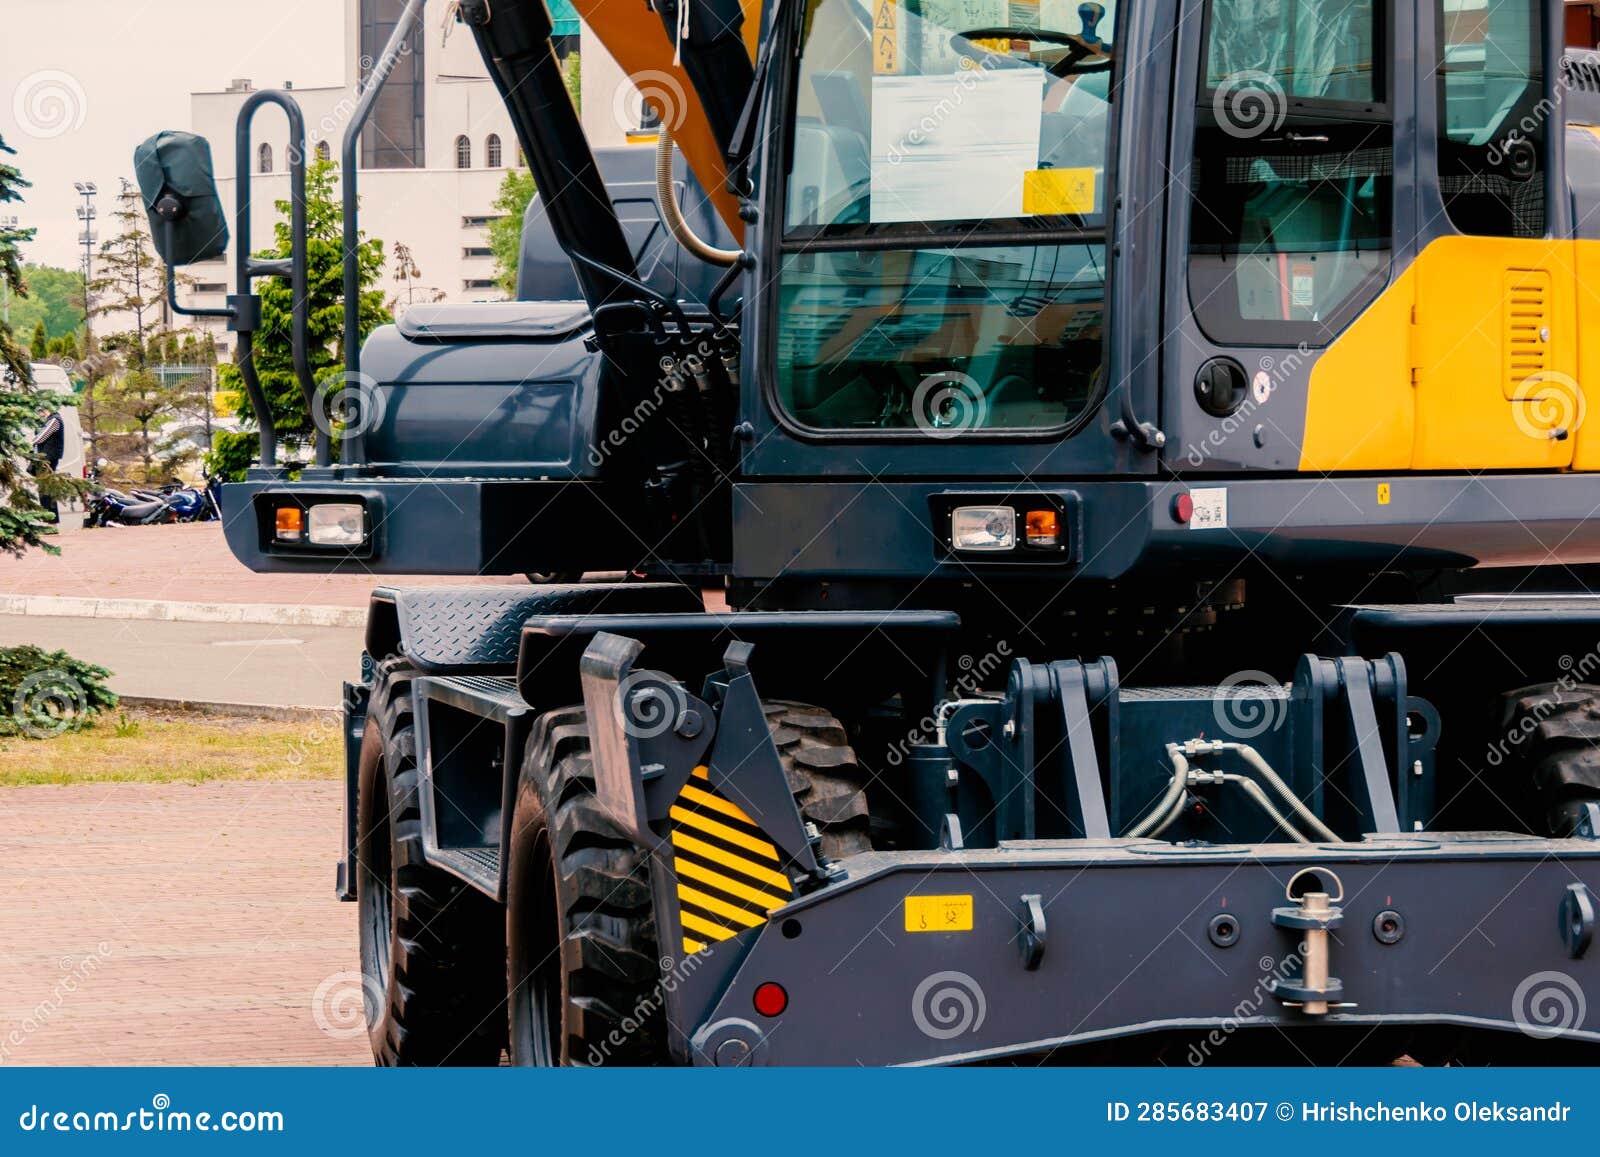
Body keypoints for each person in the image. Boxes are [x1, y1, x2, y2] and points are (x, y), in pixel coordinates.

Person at [31, 409, 64, 522]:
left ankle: (51, 522)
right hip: (43, 459)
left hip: (48, 459)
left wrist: (23, 445)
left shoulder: (55, 420)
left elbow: (40, 438)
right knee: (44, 490)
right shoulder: (49, 420)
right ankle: (50, 521)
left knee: (46, 491)